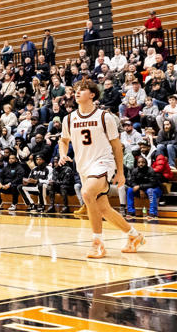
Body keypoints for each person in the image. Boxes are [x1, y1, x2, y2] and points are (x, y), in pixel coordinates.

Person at [59, 78, 144, 259]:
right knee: (104, 208)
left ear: (92, 95)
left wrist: (120, 172)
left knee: (87, 193)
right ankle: (134, 236)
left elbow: (117, 146)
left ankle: (97, 242)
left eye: (82, 89)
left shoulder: (105, 117)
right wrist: (62, 154)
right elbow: (63, 140)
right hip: (83, 166)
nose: (77, 92)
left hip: (103, 163)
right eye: (76, 90)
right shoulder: (68, 119)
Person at [125, 155, 162, 220]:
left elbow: (152, 184)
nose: (141, 164)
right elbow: (131, 182)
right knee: (130, 190)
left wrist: (139, 187)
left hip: (155, 189)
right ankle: (131, 212)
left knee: (150, 190)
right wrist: (140, 189)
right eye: (139, 162)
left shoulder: (151, 171)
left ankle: (153, 213)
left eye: (143, 162)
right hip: (142, 189)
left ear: (146, 163)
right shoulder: (134, 171)